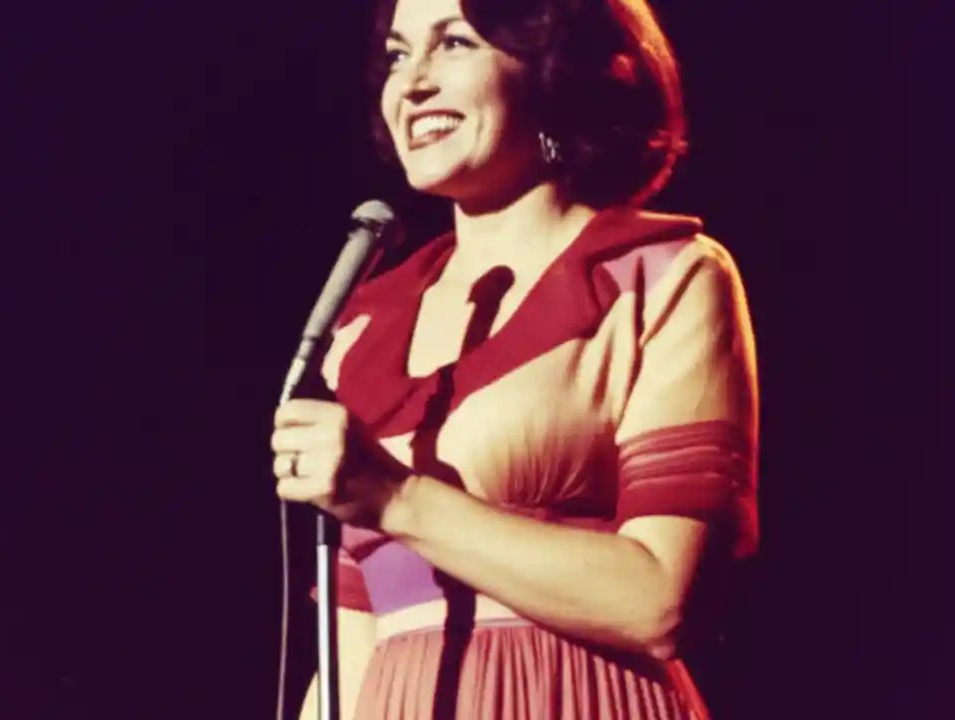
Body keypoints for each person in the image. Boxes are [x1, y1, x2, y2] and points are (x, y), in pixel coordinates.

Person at [270, 0, 759, 717]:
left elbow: (658, 601)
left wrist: (398, 498)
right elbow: (350, 645)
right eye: (400, 55)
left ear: (555, 68)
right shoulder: (365, 324)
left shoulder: (666, 277)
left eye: (455, 43)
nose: (413, 84)